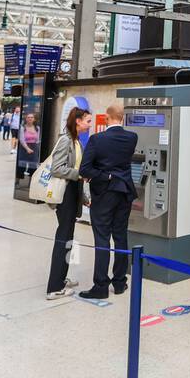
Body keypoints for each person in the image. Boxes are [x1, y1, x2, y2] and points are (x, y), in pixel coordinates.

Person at [77, 102, 137, 300]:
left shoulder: (96, 140)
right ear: (123, 118)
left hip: (104, 194)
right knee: (121, 236)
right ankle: (120, 282)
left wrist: (105, 176)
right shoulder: (131, 137)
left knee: (102, 237)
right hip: (125, 192)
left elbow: (85, 170)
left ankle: (101, 286)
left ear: (106, 117)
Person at [45, 107, 90, 299]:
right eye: (88, 121)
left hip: (73, 193)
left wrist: (84, 197)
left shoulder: (76, 141)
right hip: (65, 196)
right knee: (63, 238)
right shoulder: (66, 140)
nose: (90, 124)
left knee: (68, 238)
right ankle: (55, 287)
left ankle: (61, 278)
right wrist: (79, 174)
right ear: (78, 121)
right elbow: (57, 169)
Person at [16, 112, 40, 181]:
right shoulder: (22, 128)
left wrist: (36, 149)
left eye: (32, 117)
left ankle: (30, 182)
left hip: (34, 147)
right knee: (21, 165)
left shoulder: (37, 128)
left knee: (33, 166)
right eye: (28, 117)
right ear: (26, 119)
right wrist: (27, 148)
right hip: (23, 147)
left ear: (34, 119)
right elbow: (22, 139)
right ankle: (18, 182)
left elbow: (37, 140)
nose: (30, 119)